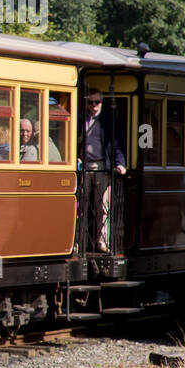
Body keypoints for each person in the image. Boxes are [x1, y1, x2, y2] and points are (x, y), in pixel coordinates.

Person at [81, 90, 126, 254]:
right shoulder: (81, 119)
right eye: (90, 102)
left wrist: (120, 164)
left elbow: (117, 143)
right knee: (82, 206)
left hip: (102, 166)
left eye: (97, 102)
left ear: (102, 102)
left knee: (103, 207)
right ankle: (81, 242)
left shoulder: (108, 120)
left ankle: (102, 241)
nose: (93, 106)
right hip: (84, 165)